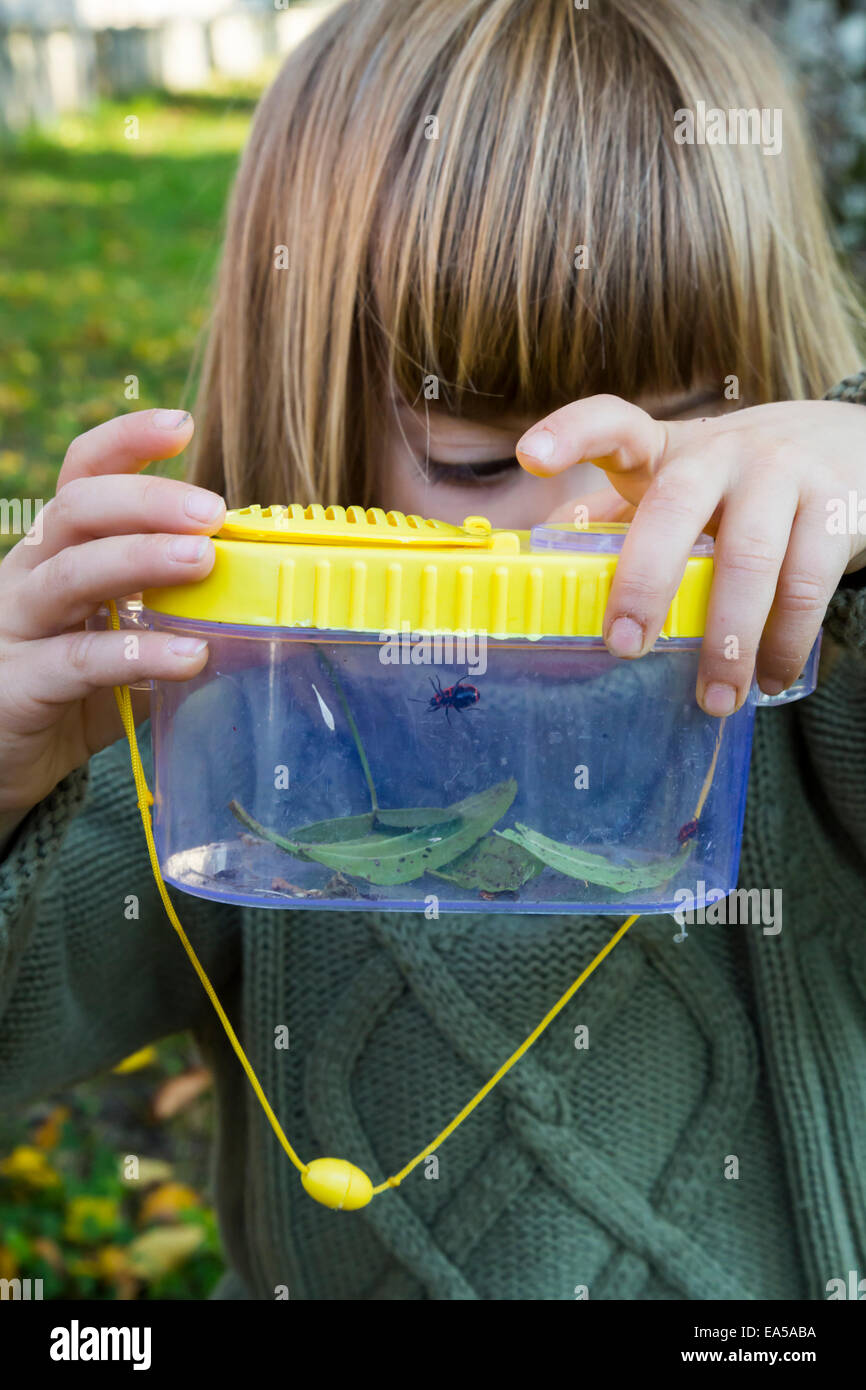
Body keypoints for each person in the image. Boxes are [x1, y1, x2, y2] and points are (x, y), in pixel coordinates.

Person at [1, 0, 865, 1300]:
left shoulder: (817, 679)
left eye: (690, 437)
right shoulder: (248, 714)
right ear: (320, 427)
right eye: (479, 455)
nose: (590, 518)